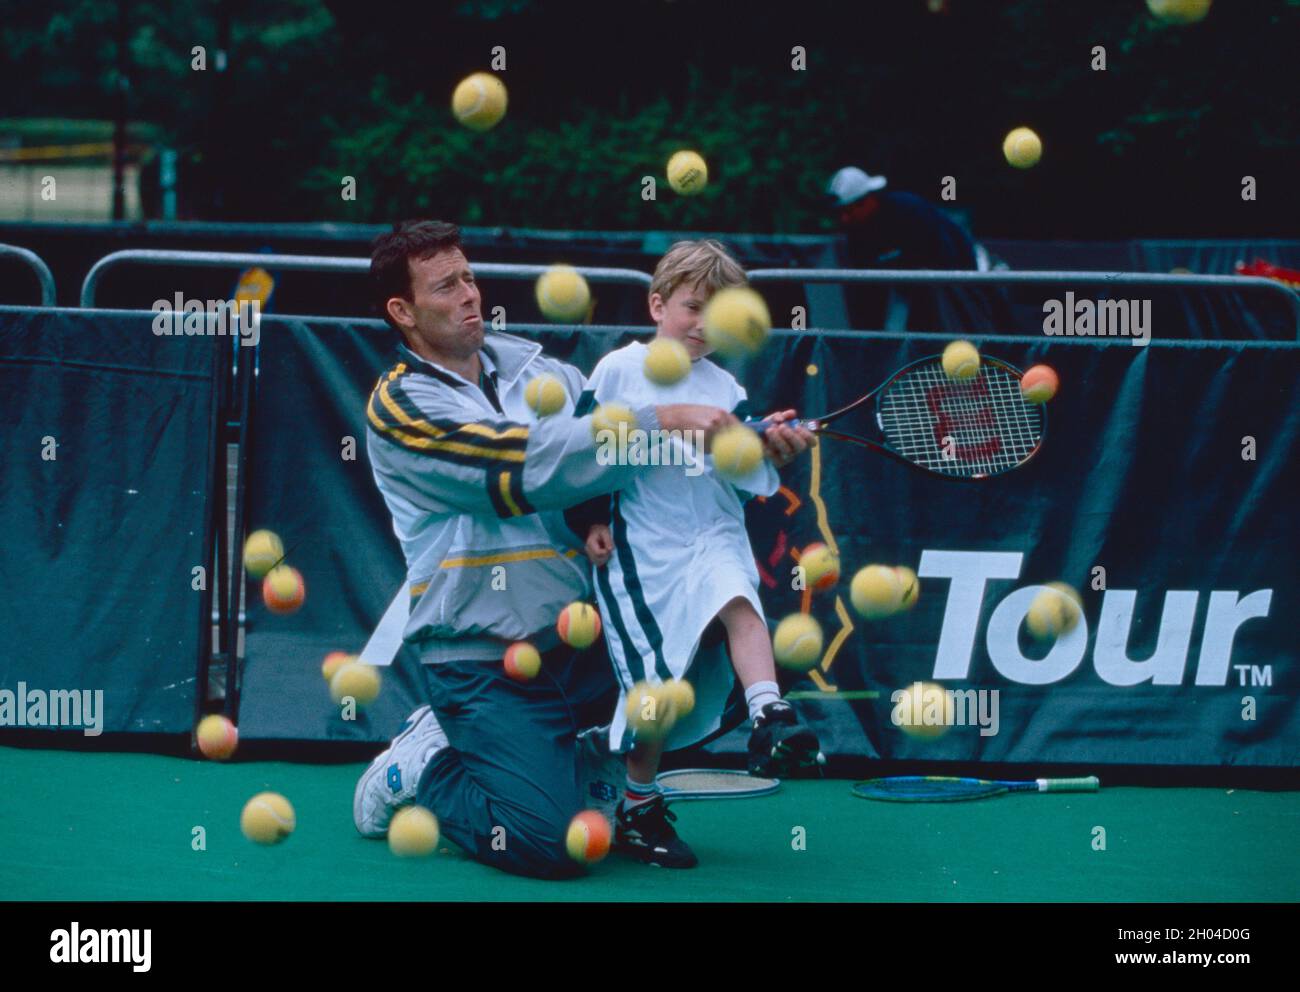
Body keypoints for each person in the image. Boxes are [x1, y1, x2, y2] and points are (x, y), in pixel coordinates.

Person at [352, 220, 738, 880]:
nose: (471, 295)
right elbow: (514, 471)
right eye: (447, 286)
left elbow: (618, 455)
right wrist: (665, 421)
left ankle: (587, 759)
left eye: (470, 277)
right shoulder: (401, 406)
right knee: (547, 846)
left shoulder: (545, 371)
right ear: (403, 312)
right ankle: (424, 765)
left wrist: (747, 440)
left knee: (718, 616)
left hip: (581, 638)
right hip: (479, 656)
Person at [574, 239, 823, 868]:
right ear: (657, 305)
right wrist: (586, 520)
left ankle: (771, 714)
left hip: (713, 530)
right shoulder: (617, 370)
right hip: (641, 546)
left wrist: (773, 446)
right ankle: (636, 801)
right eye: (692, 307)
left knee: (742, 603)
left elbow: (741, 459)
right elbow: (577, 452)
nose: (704, 323)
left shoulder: (726, 385)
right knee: (658, 685)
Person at [827, 166, 979, 331]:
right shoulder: (856, 234)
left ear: (867, 200)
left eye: (848, 211)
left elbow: (950, 258)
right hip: (909, 289)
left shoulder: (910, 211)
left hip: (955, 275)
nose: (844, 219)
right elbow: (868, 291)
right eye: (840, 213)